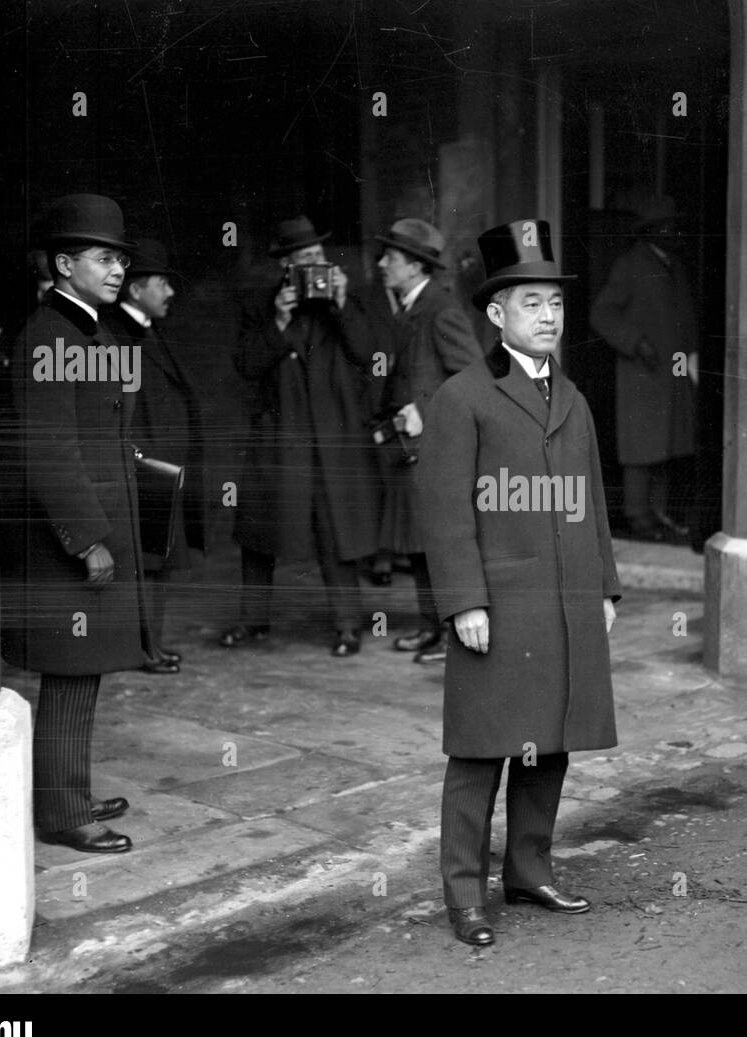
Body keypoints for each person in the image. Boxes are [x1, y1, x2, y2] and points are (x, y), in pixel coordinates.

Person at [416, 219, 620, 947]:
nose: (549, 316)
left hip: (565, 603)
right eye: (531, 303)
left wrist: (604, 588)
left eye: (555, 304)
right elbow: (443, 515)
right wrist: (464, 602)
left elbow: (592, 501)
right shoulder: (462, 398)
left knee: (551, 742)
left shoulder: (574, 398)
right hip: (498, 608)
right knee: (480, 751)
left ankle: (529, 869)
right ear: (496, 315)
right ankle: (464, 893)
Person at [0, 193, 142, 854]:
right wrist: (87, 539)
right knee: (71, 674)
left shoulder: (86, 329)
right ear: (63, 263)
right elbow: (50, 449)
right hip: (68, 542)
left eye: (121, 259)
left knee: (82, 673)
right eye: (103, 257)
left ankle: (68, 792)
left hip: (87, 533)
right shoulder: (52, 334)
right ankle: (62, 813)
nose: (117, 270)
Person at [221, 215, 379, 656]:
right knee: (258, 531)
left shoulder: (346, 301)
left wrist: (343, 304)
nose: (315, 265)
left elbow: (369, 354)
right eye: (304, 259)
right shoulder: (262, 304)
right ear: (286, 266)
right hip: (278, 439)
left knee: (336, 533)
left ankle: (348, 627)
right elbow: (246, 365)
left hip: (331, 441)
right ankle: (252, 621)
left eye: (318, 256)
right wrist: (277, 319)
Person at [370, 218, 482, 663]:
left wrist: (425, 406)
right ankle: (430, 627)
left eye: (391, 258)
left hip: (435, 448)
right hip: (410, 449)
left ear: (416, 267)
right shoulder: (409, 306)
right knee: (419, 543)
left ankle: (449, 636)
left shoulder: (440, 309)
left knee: (437, 543)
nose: (382, 265)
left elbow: (473, 375)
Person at [107, 238, 205, 674]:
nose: (169, 292)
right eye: (161, 283)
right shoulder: (118, 335)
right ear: (135, 289)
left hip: (163, 470)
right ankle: (144, 648)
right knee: (146, 563)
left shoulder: (147, 329)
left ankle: (152, 645)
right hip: (145, 468)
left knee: (156, 562)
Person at [589, 194, 699, 542]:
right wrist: (636, 343)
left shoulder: (674, 265)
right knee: (642, 449)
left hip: (673, 372)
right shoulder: (631, 264)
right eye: (667, 227)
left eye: (676, 227)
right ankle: (638, 515)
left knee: (666, 448)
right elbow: (602, 313)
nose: (675, 233)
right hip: (642, 373)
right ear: (649, 232)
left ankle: (659, 512)